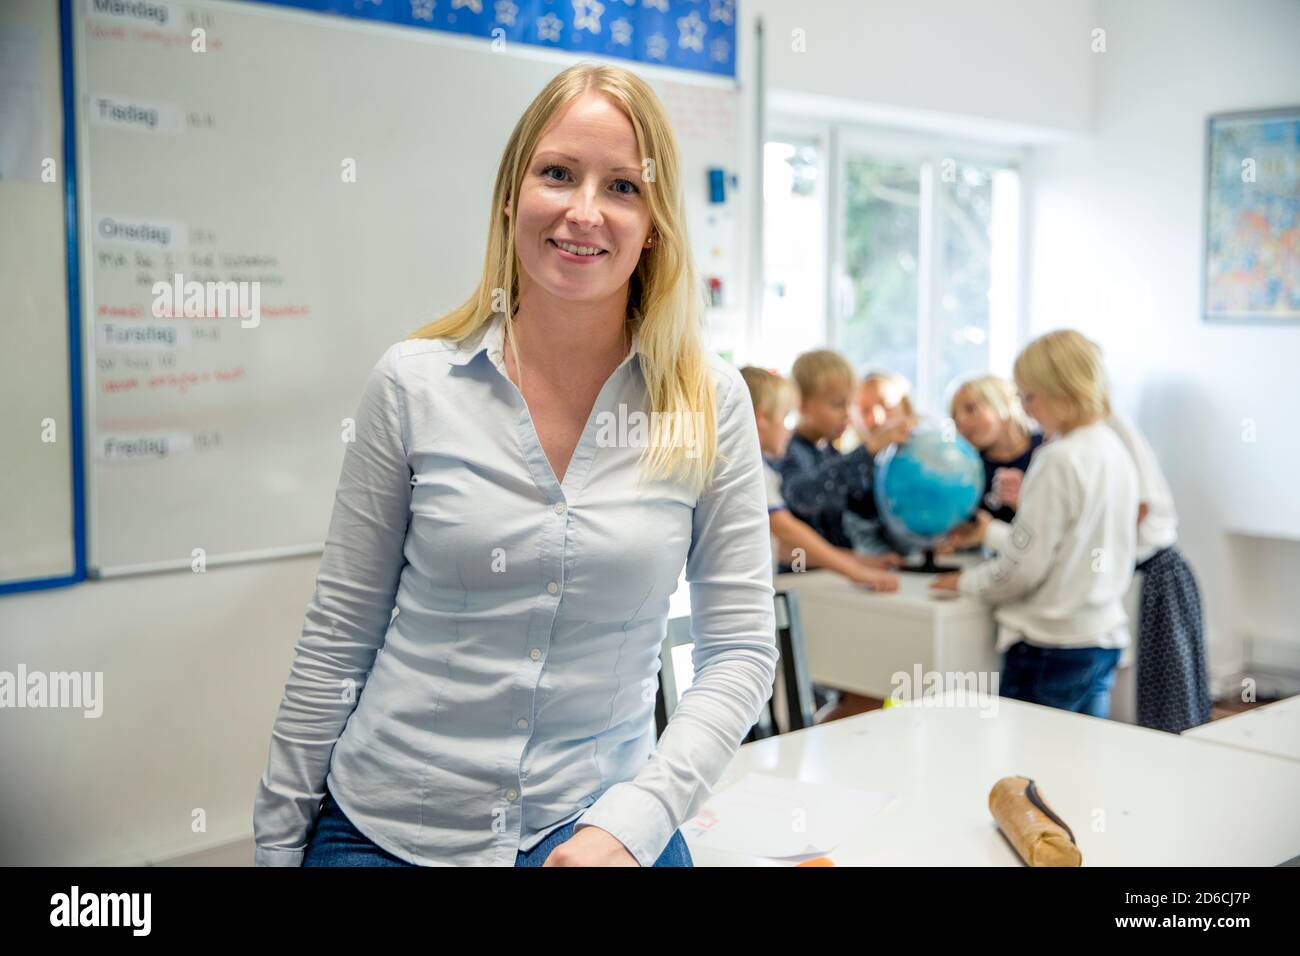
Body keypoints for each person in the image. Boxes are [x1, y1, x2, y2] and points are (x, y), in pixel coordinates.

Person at [254, 63, 779, 868]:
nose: (583, 211)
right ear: (511, 195)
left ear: (657, 225)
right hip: (393, 828)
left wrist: (640, 818)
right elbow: (338, 636)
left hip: (598, 821)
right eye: (558, 173)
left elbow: (740, 649)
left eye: (624, 188)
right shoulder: (413, 384)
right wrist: (278, 843)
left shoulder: (710, 402)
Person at [931, 330, 1139, 718]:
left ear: (1063, 390)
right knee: (1080, 767)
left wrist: (966, 582)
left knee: (1029, 772)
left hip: (1050, 648)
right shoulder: (1113, 449)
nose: (1025, 409)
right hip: (1099, 638)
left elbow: (1024, 570)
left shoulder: (1057, 459)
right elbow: (1064, 546)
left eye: (1030, 396)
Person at [739, 365, 898, 591]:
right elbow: (786, 531)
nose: (788, 429)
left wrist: (856, 560)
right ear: (760, 418)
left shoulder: (762, 469)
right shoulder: (757, 471)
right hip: (782, 587)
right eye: (786, 418)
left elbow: (781, 546)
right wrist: (856, 571)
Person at [940, 375, 1043, 552]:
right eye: (954, 417)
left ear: (1003, 403)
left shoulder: (1046, 450)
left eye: (971, 409)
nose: (961, 422)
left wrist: (1023, 503)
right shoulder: (967, 470)